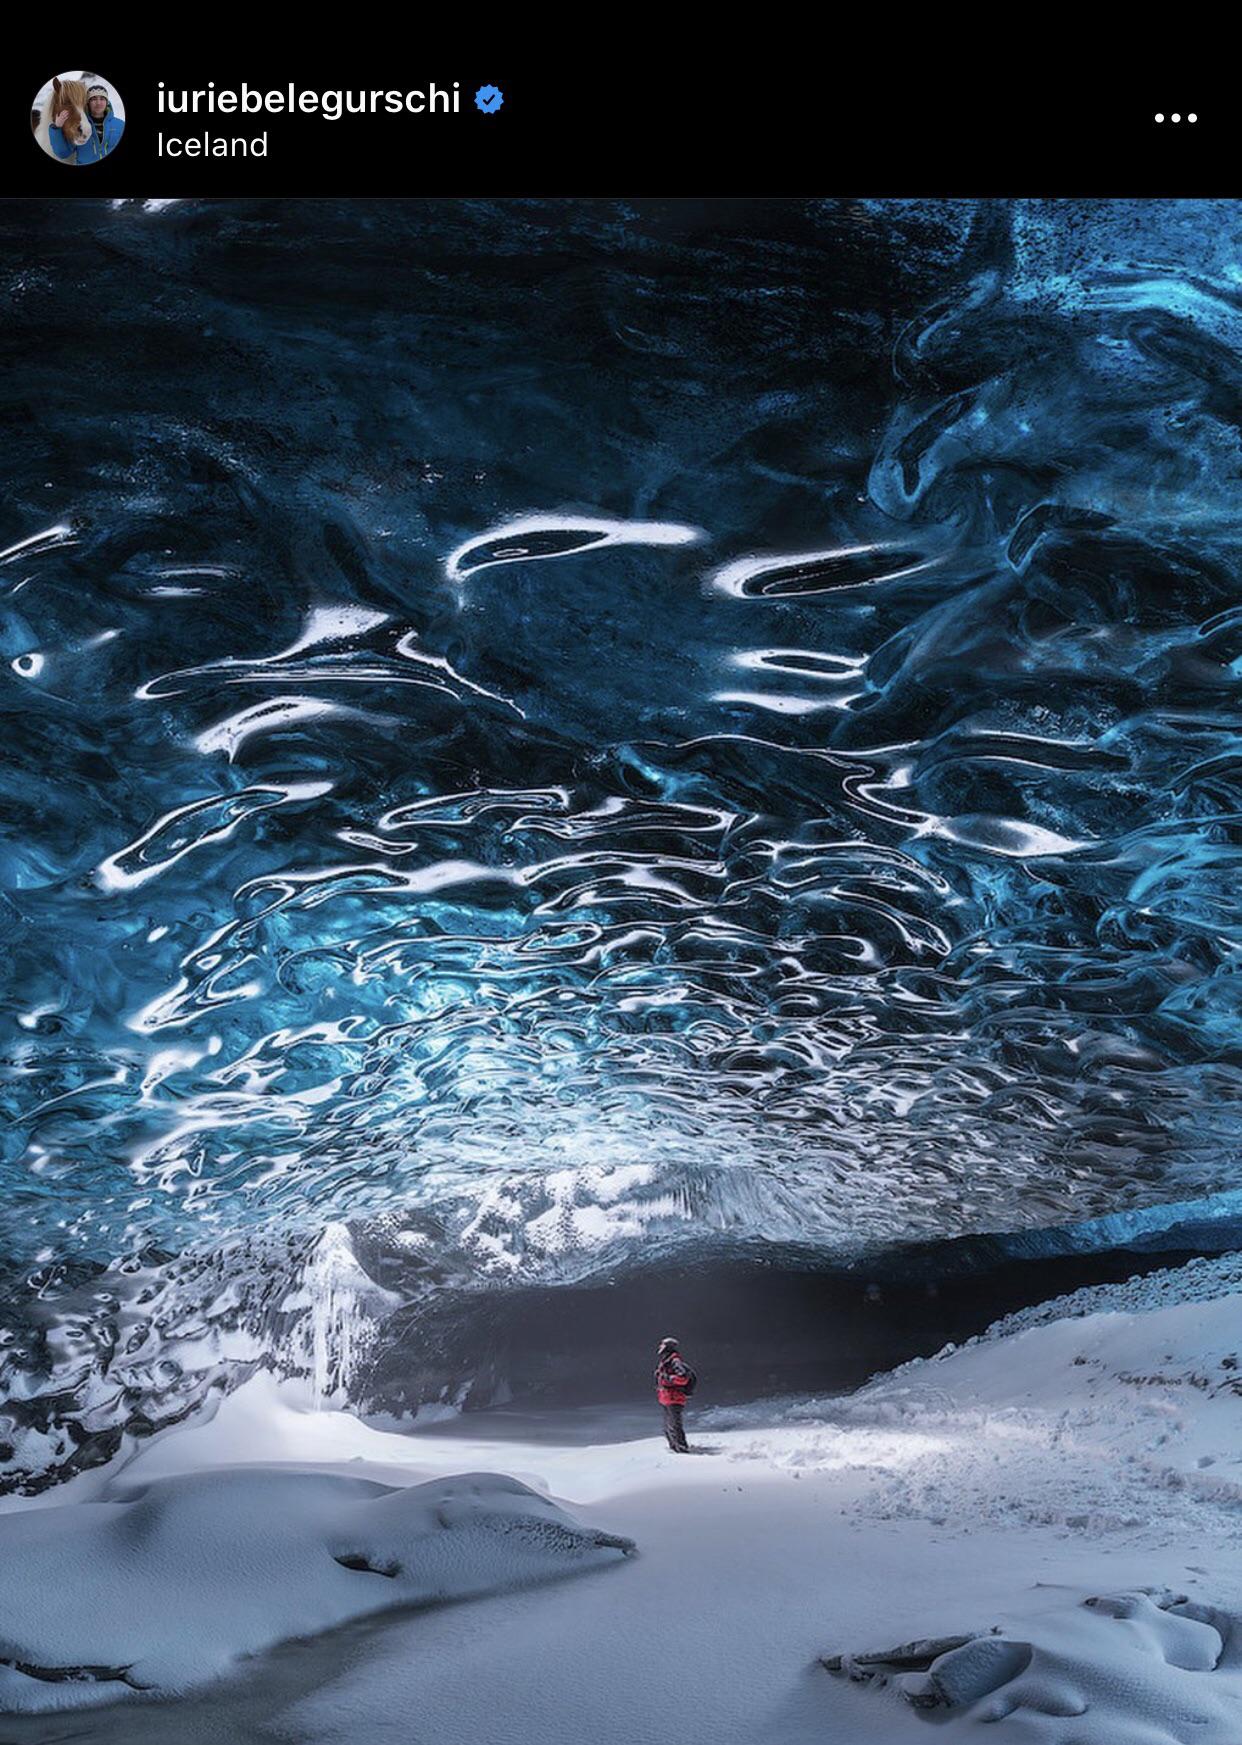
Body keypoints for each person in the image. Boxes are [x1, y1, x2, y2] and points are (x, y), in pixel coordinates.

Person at [51, 83, 124, 164]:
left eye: (102, 98)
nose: (98, 103)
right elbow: (62, 153)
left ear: (107, 102)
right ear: (87, 103)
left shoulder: (120, 125)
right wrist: (56, 128)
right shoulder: (80, 127)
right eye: (93, 99)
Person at [655, 1336, 696, 1452]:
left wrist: (668, 1379)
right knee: (668, 1428)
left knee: (674, 1426)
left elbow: (683, 1378)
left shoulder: (674, 1361)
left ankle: (682, 1449)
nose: (660, 1347)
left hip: (674, 1398)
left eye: (662, 1345)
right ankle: (675, 1448)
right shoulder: (667, 1361)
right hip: (667, 1398)